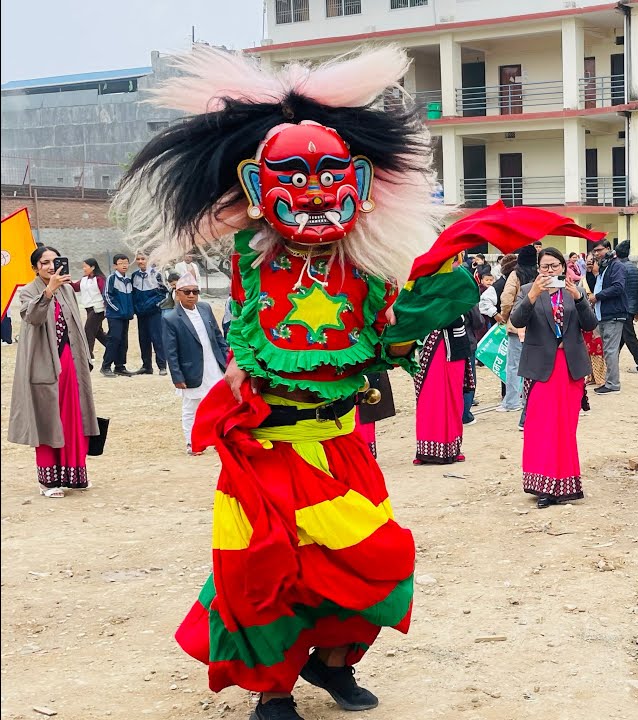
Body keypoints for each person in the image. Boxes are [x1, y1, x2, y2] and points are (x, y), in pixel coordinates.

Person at [114, 46, 495, 720]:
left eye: (328, 174)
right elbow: (250, 331)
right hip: (265, 454)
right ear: (259, 189)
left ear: (357, 181)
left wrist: (429, 299)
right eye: (295, 175)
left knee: (375, 561)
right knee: (264, 574)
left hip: (344, 450)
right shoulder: (251, 262)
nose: (315, 192)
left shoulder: (371, 269)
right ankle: (273, 688)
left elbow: (388, 343)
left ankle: (333, 663)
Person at [8, 245, 101, 498]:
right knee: (48, 421)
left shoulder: (68, 290)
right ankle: (48, 482)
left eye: (54, 261)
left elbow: (76, 328)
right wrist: (49, 291)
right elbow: (33, 318)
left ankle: (74, 475)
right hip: (43, 369)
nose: (51, 266)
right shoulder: (28, 292)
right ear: (35, 267)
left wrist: (85, 359)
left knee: (73, 418)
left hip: (71, 366)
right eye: (45, 262)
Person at [510, 247, 597, 508]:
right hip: (540, 368)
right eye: (545, 266)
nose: (550, 271)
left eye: (554, 266)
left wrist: (580, 298)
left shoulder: (574, 289)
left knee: (565, 428)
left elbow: (590, 324)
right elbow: (515, 319)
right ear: (538, 268)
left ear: (563, 267)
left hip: (569, 367)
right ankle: (544, 487)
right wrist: (533, 296)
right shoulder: (528, 290)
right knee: (542, 428)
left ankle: (566, 483)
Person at [162, 273, 229, 454]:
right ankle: (192, 442)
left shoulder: (205, 308)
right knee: (191, 407)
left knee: (218, 404)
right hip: (191, 370)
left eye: (195, 291)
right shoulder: (171, 318)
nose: (191, 295)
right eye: (187, 292)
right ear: (178, 294)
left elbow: (218, 336)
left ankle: (218, 439)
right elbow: (171, 351)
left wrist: (227, 361)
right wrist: (177, 377)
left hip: (214, 365)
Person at [413, 315, 469, 465]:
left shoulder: (461, 292)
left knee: (452, 400)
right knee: (428, 398)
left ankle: (453, 449)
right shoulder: (419, 292)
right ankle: (426, 450)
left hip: (454, 347)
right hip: (429, 345)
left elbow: (463, 316)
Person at [496, 246, 538, 412]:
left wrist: (505, 316)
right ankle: (532, 398)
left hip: (517, 323)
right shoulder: (539, 274)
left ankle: (512, 401)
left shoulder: (515, 274)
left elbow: (507, 298)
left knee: (513, 365)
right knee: (534, 363)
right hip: (537, 324)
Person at [589, 239, 628, 394]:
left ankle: (612, 383)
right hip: (603, 314)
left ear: (608, 249)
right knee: (607, 350)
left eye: (599, 250)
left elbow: (618, 287)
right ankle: (609, 381)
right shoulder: (604, 267)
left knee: (611, 350)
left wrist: (598, 296)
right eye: (595, 251)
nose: (597, 254)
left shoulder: (616, 266)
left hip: (614, 314)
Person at [132, 251, 168, 375]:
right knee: (143, 339)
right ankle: (147, 366)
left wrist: (152, 304)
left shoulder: (157, 274)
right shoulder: (134, 276)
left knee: (157, 338)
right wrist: (136, 307)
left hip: (154, 313)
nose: (141, 261)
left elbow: (163, 294)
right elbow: (134, 294)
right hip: (141, 314)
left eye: (143, 258)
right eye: (138, 259)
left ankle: (162, 366)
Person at [615, 241, 638, 373]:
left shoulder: (620, 267)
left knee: (629, 337)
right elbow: (636, 289)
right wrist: (637, 309)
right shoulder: (633, 267)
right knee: (622, 337)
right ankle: (611, 362)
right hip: (631, 305)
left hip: (623, 307)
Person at [102, 253, 135, 378]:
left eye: (126, 262)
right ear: (115, 266)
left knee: (123, 341)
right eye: (121, 263)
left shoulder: (128, 279)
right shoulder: (111, 278)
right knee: (114, 339)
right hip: (115, 316)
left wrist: (129, 311)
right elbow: (107, 296)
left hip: (125, 316)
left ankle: (120, 366)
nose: (124, 265)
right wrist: (117, 309)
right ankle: (105, 366)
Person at [73, 258, 109, 360]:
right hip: (88, 308)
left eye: (85, 266)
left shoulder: (100, 279)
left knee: (88, 330)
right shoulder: (84, 278)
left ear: (92, 267)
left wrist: (107, 308)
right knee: (98, 332)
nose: (83, 268)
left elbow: (104, 293)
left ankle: (88, 355)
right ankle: (113, 348)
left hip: (98, 308)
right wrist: (67, 281)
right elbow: (76, 287)